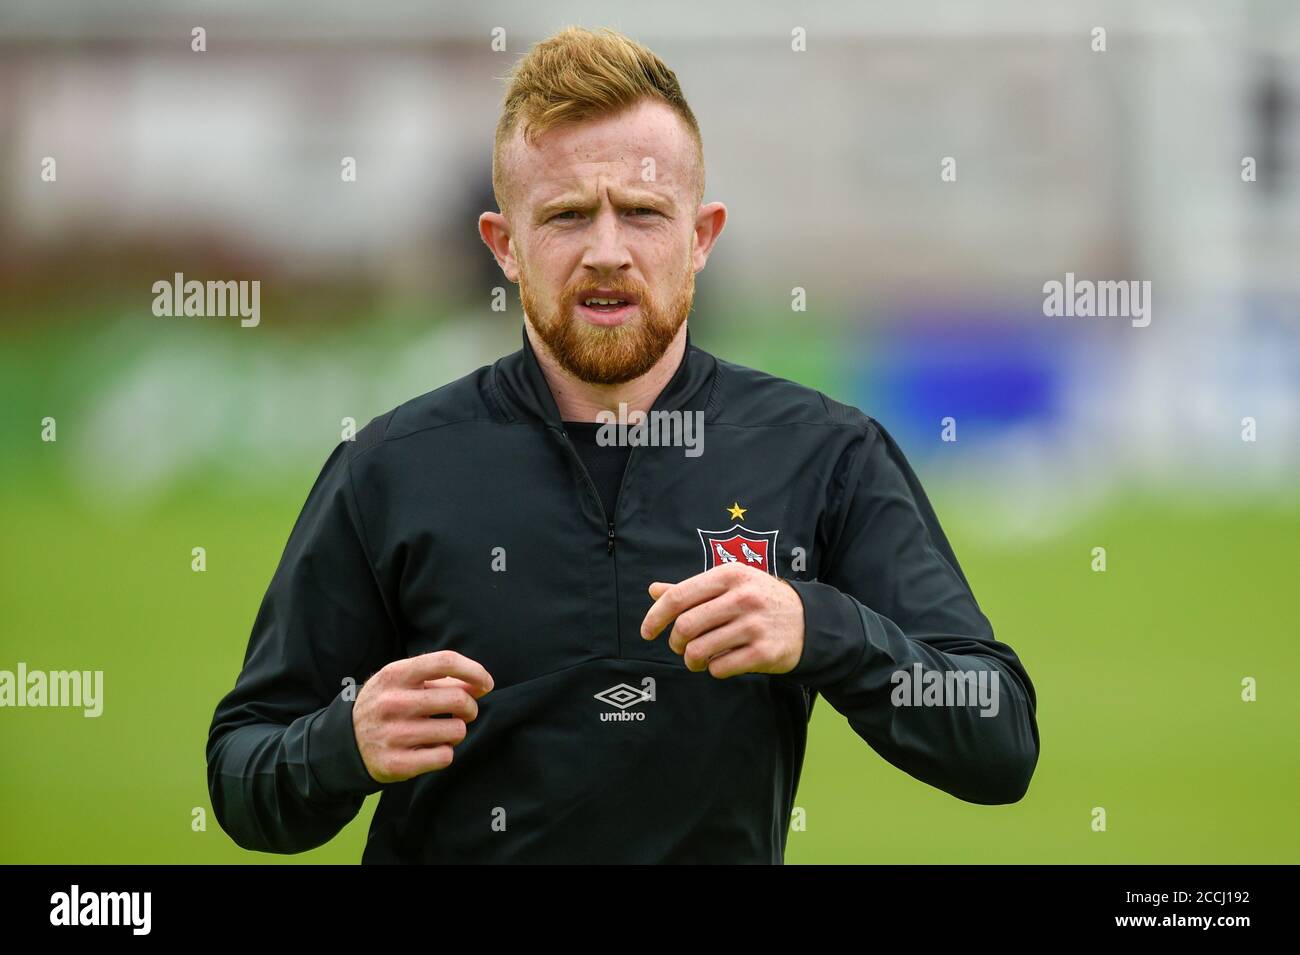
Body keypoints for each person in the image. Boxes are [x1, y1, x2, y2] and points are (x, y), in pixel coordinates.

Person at [206, 25, 1039, 863]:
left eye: (642, 213)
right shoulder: (392, 466)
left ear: (702, 236)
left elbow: (999, 738)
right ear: (504, 245)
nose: (608, 252)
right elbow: (242, 771)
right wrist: (342, 744)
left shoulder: (824, 454)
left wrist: (819, 628)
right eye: (567, 215)